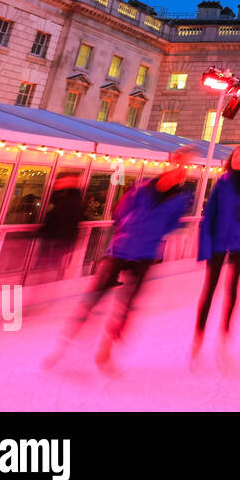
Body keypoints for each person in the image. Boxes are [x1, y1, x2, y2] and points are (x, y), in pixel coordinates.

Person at [44, 149, 194, 372]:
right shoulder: (141, 189)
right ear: (164, 172)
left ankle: (106, 349)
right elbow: (120, 211)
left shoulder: (179, 200)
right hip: (120, 250)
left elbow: (176, 224)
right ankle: (66, 344)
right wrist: (127, 228)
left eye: (178, 175)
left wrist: (154, 231)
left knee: (126, 306)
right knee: (93, 299)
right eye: (172, 171)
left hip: (146, 254)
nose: (173, 176)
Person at [194, 145, 240, 365]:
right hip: (218, 239)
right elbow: (210, 214)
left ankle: (224, 333)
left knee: (232, 288)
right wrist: (205, 245)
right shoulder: (222, 182)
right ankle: (199, 335)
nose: (237, 158)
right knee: (209, 288)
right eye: (235, 154)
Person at [33, 174, 84, 280]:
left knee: (49, 264)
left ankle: (48, 281)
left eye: (60, 182)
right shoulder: (71, 198)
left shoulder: (70, 200)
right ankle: (50, 279)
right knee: (52, 263)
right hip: (60, 237)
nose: (56, 184)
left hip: (58, 237)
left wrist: (45, 228)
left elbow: (59, 217)